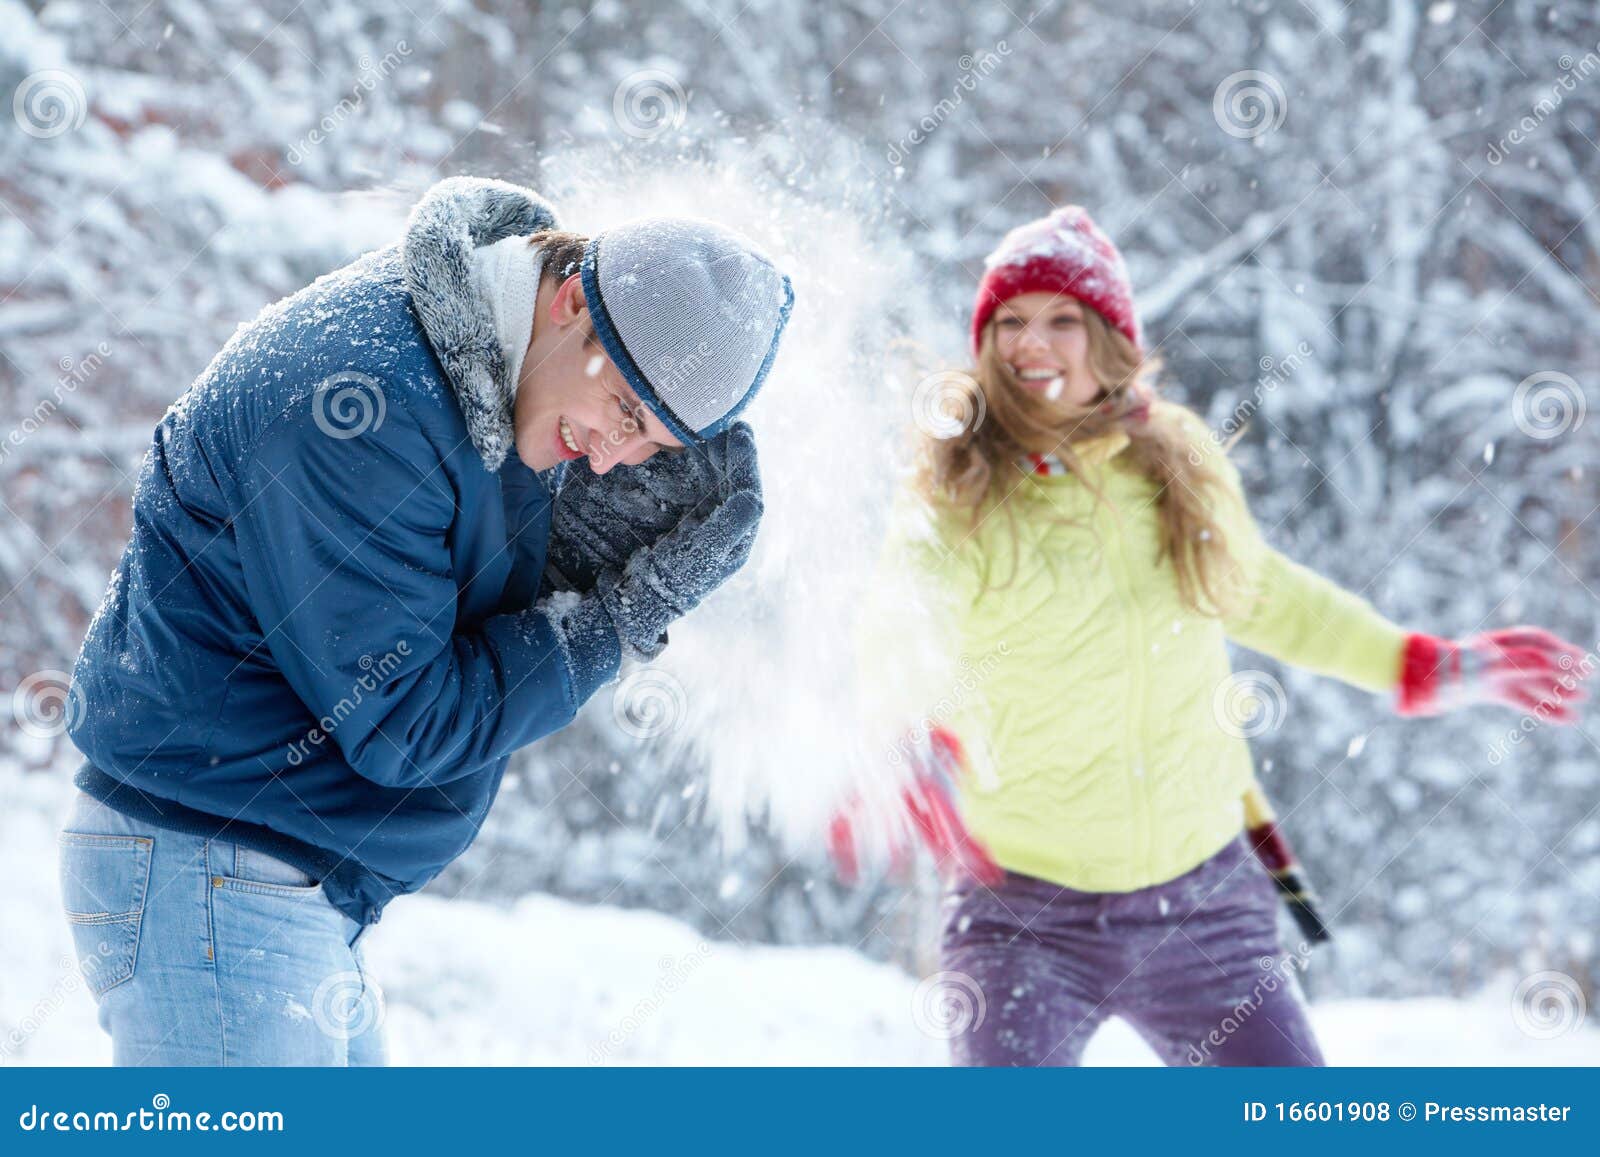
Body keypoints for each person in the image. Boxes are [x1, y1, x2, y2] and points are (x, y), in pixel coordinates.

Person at [56, 176, 793, 1065]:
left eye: (651, 447)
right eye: (625, 411)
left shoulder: (486, 370)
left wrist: (555, 551)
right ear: (569, 300)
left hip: (271, 876)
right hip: (210, 871)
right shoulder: (361, 403)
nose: (615, 454)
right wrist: (616, 615)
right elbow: (406, 725)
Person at [832, 205, 1585, 1067]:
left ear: (1110, 339)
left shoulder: (1174, 458)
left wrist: (1419, 662)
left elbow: (1263, 592)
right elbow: (901, 620)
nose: (1030, 343)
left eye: (1061, 320)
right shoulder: (958, 483)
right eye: (1008, 322)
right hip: (1022, 912)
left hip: (1202, 903)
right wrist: (906, 744)